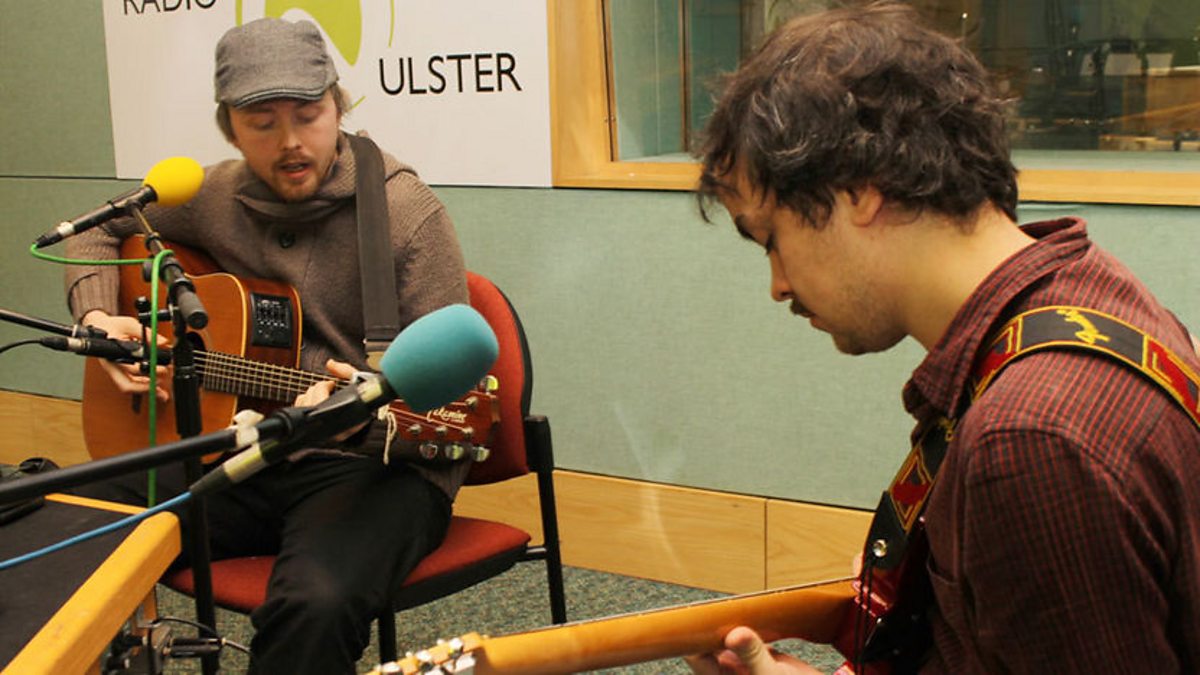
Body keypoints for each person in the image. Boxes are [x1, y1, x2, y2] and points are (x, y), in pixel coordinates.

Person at [685, 3, 1200, 674]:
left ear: (856, 190)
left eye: (770, 239)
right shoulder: (1090, 293)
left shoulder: (1028, 440)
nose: (778, 285)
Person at [63, 18, 470, 674]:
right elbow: (94, 229)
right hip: (243, 449)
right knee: (61, 521)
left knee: (315, 604)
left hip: (377, 465)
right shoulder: (214, 195)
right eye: (261, 124)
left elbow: (459, 405)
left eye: (309, 116)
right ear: (229, 129)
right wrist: (101, 316)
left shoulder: (404, 213)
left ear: (338, 107)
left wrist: (357, 416)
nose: (290, 143)